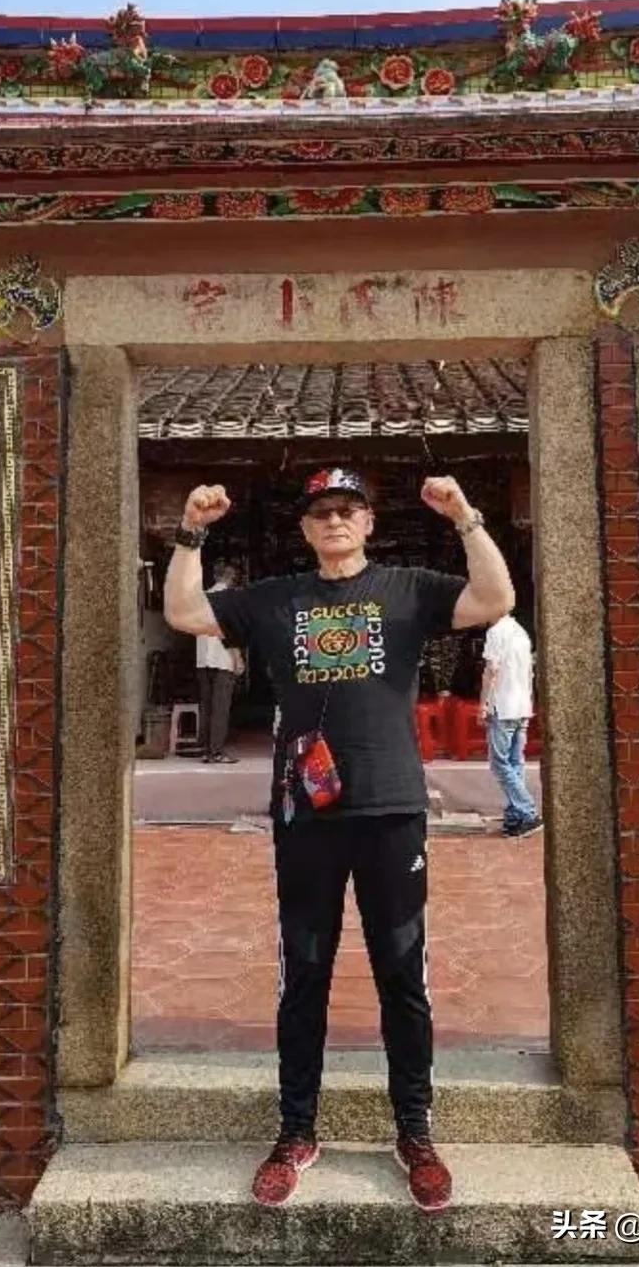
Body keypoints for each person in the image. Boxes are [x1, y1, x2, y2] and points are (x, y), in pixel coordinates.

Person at [164, 467, 514, 1214]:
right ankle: (296, 1132)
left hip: (391, 809)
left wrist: (464, 516)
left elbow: (496, 598)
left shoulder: (408, 588)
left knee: (401, 970)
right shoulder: (275, 598)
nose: (334, 521)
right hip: (306, 812)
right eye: (322, 511)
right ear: (305, 527)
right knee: (307, 972)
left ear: (368, 522)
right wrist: (192, 530)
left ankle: (414, 1132)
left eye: (347, 509)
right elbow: (185, 610)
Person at [478, 613, 541, 838]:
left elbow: (491, 672)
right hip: (522, 705)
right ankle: (515, 817)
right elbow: (530, 673)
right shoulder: (521, 633)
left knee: (499, 763)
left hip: (503, 706)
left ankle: (527, 810)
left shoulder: (495, 633)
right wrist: (531, 701)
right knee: (515, 763)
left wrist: (484, 704)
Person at [195, 561, 243, 764]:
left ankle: (206, 749)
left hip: (203, 658)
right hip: (222, 659)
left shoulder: (201, 598)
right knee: (220, 707)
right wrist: (238, 658)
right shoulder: (229, 598)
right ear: (231, 577)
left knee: (206, 705)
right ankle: (216, 752)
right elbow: (228, 632)